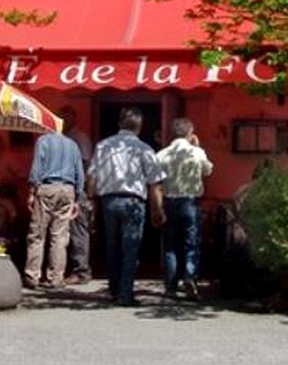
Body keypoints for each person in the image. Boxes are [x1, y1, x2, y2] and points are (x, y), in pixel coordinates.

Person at [87, 107, 165, 306]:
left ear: (119, 123)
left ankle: (114, 289)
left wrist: (91, 203)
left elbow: (92, 177)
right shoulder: (144, 149)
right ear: (140, 127)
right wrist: (158, 210)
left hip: (108, 201)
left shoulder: (103, 146)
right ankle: (125, 293)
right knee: (130, 248)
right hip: (133, 201)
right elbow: (154, 182)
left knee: (112, 247)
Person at [155, 116, 214, 298]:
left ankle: (171, 286)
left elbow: (155, 181)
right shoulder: (196, 152)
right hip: (190, 201)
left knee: (170, 245)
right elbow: (208, 170)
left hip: (169, 201)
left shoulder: (162, 154)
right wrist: (197, 147)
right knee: (191, 242)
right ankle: (190, 276)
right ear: (190, 133)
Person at [21, 126, 84, 289]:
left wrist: (31, 192)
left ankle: (32, 276)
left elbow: (37, 168)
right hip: (68, 190)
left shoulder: (43, 141)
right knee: (60, 236)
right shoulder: (73, 145)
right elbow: (80, 173)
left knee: (37, 234)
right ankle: (56, 278)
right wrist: (77, 198)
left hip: (47, 188)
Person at [59, 105, 94, 284]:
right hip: (65, 188)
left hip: (76, 190)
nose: (62, 122)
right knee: (65, 231)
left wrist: (86, 192)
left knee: (78, 230)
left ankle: (81, 270)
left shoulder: (80, 138)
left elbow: (86, 166)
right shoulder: (62, 139)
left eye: (65, 118)